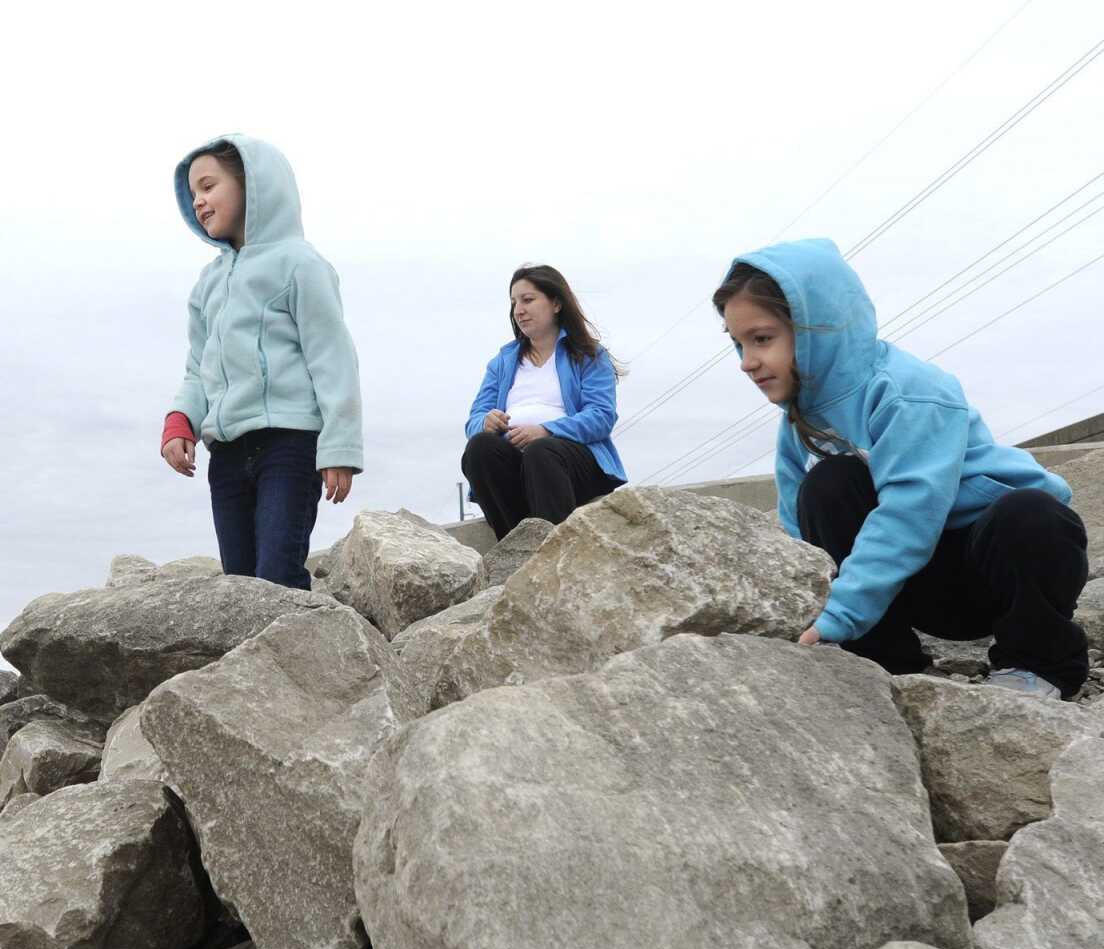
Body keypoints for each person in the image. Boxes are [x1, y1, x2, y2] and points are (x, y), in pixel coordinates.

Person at [714, 237, 1088, 698]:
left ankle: (1038, 665)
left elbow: (911, 512)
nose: (747, 363)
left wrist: (842, 614)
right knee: (829, 483)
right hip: (916, 586)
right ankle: (882, 662)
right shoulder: (801, 421)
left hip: (995, 577)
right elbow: (796, 535)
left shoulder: (908, 392)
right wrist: (805, 617)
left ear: (818, 329)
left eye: (762, 339)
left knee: (1031, 513)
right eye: (738, 344)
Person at [159, 135, 363, 591]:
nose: (198, 201)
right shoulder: (207, 284)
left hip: (288, 445)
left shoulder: (300, 264)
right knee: (241, 585)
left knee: (277, 574)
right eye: (192, 194)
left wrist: (340, 446)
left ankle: (305, 639)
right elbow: (198, 367)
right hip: (226, 454)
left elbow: (332, 357)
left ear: (253, 184)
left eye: (208, 186)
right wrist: (180, 418)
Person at [461, 264, 628, 539]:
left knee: (541, 452)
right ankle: (517, 546)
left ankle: (554, 549)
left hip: (570, 460)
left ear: (556, 304)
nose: (519, 310)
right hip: (515, 465)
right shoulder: (502, 362)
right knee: (479, 447)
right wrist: (486, 422)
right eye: (514, 303)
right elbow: (474, 420)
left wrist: (546, 430)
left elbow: (601, 416)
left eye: (528, 300)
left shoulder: (588, 354)